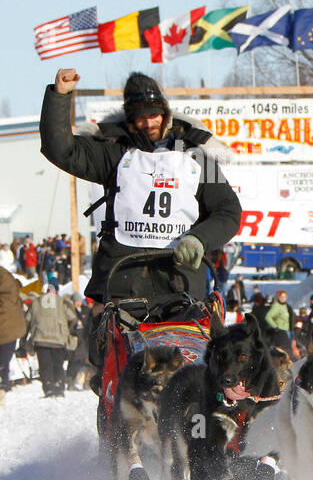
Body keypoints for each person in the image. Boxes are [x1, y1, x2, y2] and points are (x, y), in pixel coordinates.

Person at [39, 69, 241, 308]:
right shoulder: (114, 151)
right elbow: (61, 150)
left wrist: (199, 239)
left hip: (179, 284)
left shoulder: (196, 156)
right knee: (114, 344)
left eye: (154, 114)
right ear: (130, 120)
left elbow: (228, 211)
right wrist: (59, 96)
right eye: (140, 117)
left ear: (165, 112)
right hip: (122, 283)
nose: (148, 122)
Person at [25, 285, 77, 397]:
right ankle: (59, 386)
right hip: (59, 339)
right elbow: (73, 318)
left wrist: (25, 339)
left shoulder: (35, 302)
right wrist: (68, 330)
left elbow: (27, 320)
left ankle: (48, 387)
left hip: (40, 338)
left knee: (45, 365)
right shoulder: (61, 302)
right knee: (58, 364)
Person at [0, 249, 25, 399]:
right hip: (13, 328)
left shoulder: (4, 279)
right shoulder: (7, 277)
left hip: (6, 326)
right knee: (4, 359)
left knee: (3, 358)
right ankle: (4, 381)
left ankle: (4, 381)